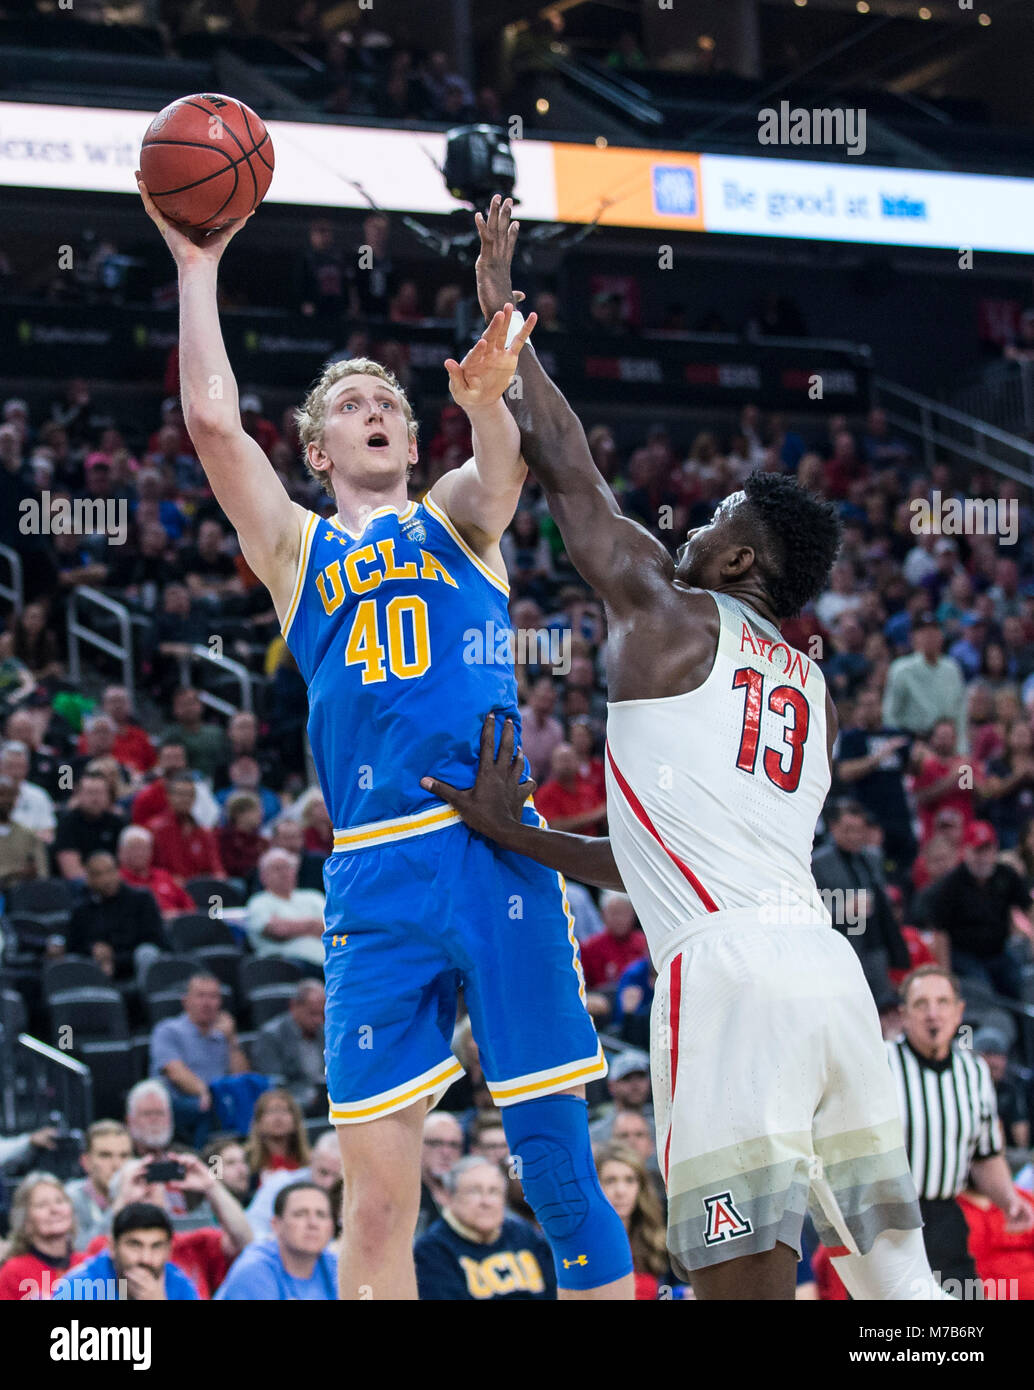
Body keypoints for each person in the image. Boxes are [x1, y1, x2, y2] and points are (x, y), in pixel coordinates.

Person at [420, 194, 945, 1303]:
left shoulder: (667, 615)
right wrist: (519, 831)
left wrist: (502, 314)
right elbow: (655, 858)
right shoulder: (814, 692)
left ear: (744, 563)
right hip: (826, 979)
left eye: (712, 519)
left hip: (726, 978)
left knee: (731, 1281)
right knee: (901, 1287)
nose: (687, 526)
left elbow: (566, 469)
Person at [137, 177, 632, 1302]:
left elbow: (502, 462)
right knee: (375, 1203)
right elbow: (213, 422)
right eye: (353, 403)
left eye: (391, 403)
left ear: (411, 436)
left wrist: (490, 397)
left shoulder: (453, 513)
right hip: (373, 873)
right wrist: (197, 263)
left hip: (497, 850)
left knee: (552, 1161)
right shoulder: (295, 552)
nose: (377, 409)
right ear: (316, 449)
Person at [886, 966, 1034, 1294]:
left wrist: (1009, 1200)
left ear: (959, 1012)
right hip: (888, 1222)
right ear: (904, 1014)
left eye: (942, 1002)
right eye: (921, 1004)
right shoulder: (881, 1064)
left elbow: (986, 1155)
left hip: (944, 1217)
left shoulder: (975, 1071)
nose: (933, 1013)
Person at [82, 1152, 253, 1298]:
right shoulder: (104, 1248)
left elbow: (245, 1243)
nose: (145, 1192)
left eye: (152, 1184)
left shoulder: (193, 1244)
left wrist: (211, 1186)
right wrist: (123, 1198)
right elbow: (112, 1239)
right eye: (137, 1184)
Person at [414, 1156, 555, 1300]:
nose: (486, 1202)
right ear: (450, 1197)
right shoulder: (432, 1250)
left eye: (494, 1191)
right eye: (474, 1191)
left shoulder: (524, 1234)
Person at [811, 800, 910, 999]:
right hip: (841, 947)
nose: (855, 836)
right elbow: (807, 910)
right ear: (833, 827)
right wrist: (842, 908)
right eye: (848, 830)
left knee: (881, 1003)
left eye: (859, 830)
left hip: (875, 944)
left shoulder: (872, 857)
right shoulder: (818, 862)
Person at [925, 820, 1033, 1000]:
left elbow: (1029, 907)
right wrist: (945, 975)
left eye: (987, 850)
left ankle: (1024, 1026)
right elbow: (940, 933)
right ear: (965, 851)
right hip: (964, 955)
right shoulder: (951, 885)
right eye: (977, 850)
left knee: (1020, 983)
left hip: (998, 951)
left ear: (995, 850)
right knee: (983, 991)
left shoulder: (1006, 875)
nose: (983, 857)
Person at [149, 973, 250, 1147]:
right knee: (206, 1109)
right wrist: (203, 1091)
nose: (207, 1002)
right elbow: (175, 1072)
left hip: (216, 1102)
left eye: (213, 996)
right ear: (185, 1001)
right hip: (177, 1102)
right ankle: (208, 1164)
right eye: (200, 995)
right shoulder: (169, 1030)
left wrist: (232, 1040)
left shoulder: (223, 1035)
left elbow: (241, 1078)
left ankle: (245, 1164)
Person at [214, 1181, 336, 1300]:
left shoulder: (334, 1266)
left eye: (321, 1215)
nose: (313, 1224)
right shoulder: (254, 1268)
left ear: (331, 1227)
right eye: (300, 1214)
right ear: (276, 1225)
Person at [52, 1203, 199, 1300]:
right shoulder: (78, 1285)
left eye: (156, 1246)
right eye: (135, 1245)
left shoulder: (180, 1284)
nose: (145, 1259)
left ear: (168, 1251)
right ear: (112, 1247)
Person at [60, 851, 166, 983]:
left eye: (110, 871)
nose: (106, 879)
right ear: (88, 879)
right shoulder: (81, 909)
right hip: (94, 969)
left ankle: (147, 1000)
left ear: (118, 872)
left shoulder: (141, 899)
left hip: (133, 966)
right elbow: (73, 946)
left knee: (147, 953)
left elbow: (157, 941)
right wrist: (93, 950)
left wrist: (114, 958)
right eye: (98, 874)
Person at [594, 1142, 673, 1300]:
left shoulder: (656, 1239)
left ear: (641, 1187)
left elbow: (668, 1290)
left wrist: (674, 1295)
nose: (621, 1191)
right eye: (610, 1180)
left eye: (629, 1180)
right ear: (596, 1186)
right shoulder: (582, 1245)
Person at [882, 614, 968, 752]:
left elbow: (960, 712)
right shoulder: (901, 669)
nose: (929, 636)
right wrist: (899, 750)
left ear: (941, 636)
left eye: (934, 631)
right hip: (915, 742)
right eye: (923, 632)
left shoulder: (952, 668)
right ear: (913, 637)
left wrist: (962, 749)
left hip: (948, 743)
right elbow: (891, 716)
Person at [0, 1174, 85, 1300]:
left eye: (60, 1201)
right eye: (42, 1205)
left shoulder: (87, 1263)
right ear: (25, 1220)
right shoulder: (13, 1272)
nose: (54, 1209)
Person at [250, 981, 326, 1116]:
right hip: (291, 1102)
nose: (319, 1020)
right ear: (294, 1007)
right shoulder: (272, 1035)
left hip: (324, 1100)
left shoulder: (325, 1032)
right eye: (313, 1014)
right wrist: (309, 1096)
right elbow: (274, 1084)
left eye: (323, 1014)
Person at [243, 847, 326, 970]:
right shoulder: (258, 902)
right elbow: (278, 931)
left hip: (330, 963)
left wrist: (292, 927)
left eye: (288, 867)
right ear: (263, 876)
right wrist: (313, 925)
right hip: (287, 966)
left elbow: (332, 928)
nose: (284, 873)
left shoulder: (314, 897)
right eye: (277, 868)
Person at [65, 1121, 133, 1249]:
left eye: (124, 1156)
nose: (117, 1165)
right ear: (86, 1162)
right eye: (105, 1155)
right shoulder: (69, 1199)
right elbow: (82, 1250)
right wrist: (120, 1203)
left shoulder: (143, 1195)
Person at [53, 771, 126, 881]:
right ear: (78, 795)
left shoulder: (117, 822)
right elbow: (71, 870)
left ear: (108, 796)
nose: (95, 799)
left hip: (113, 882)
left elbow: (126, 864)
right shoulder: (68, 823)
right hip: (79, 886)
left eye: (100, 793)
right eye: (90, 793)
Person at [117, 824, 195, 917]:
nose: (139, 853)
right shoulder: (118, 881)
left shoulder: (164, 875)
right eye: (134, 849)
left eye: (143, 848)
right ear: (121, 853)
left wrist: (177, 916)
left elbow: (190, 907)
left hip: (177, 927)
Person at [578, 891, 648, 989]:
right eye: (614, 913)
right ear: (603, 914)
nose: (619, 919)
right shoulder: (589, 947)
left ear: (633, 915)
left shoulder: (645, 943)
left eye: (624, 913)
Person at [244, 1088, 310, 1188]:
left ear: (295, 1121)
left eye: (284, 1111)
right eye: (271, 1111)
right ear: (258, 1122)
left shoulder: (310, 1161)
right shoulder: (245, 1161)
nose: (278, 1117)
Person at [0, 772, 48, 887]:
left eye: (11, 795)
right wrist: (14, 872)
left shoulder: (28, 835)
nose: (6, 800)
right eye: (1, 795)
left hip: (22, 895)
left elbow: (42, 873)